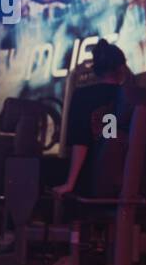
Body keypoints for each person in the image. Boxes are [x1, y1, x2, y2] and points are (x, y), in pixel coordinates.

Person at [54, 39, 129, 198]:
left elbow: (81, 142)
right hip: (129, 182)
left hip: (91, 181)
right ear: (122, 68)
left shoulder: (83, 96)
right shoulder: (135, 98)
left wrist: (70, 184)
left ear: (96, 70)